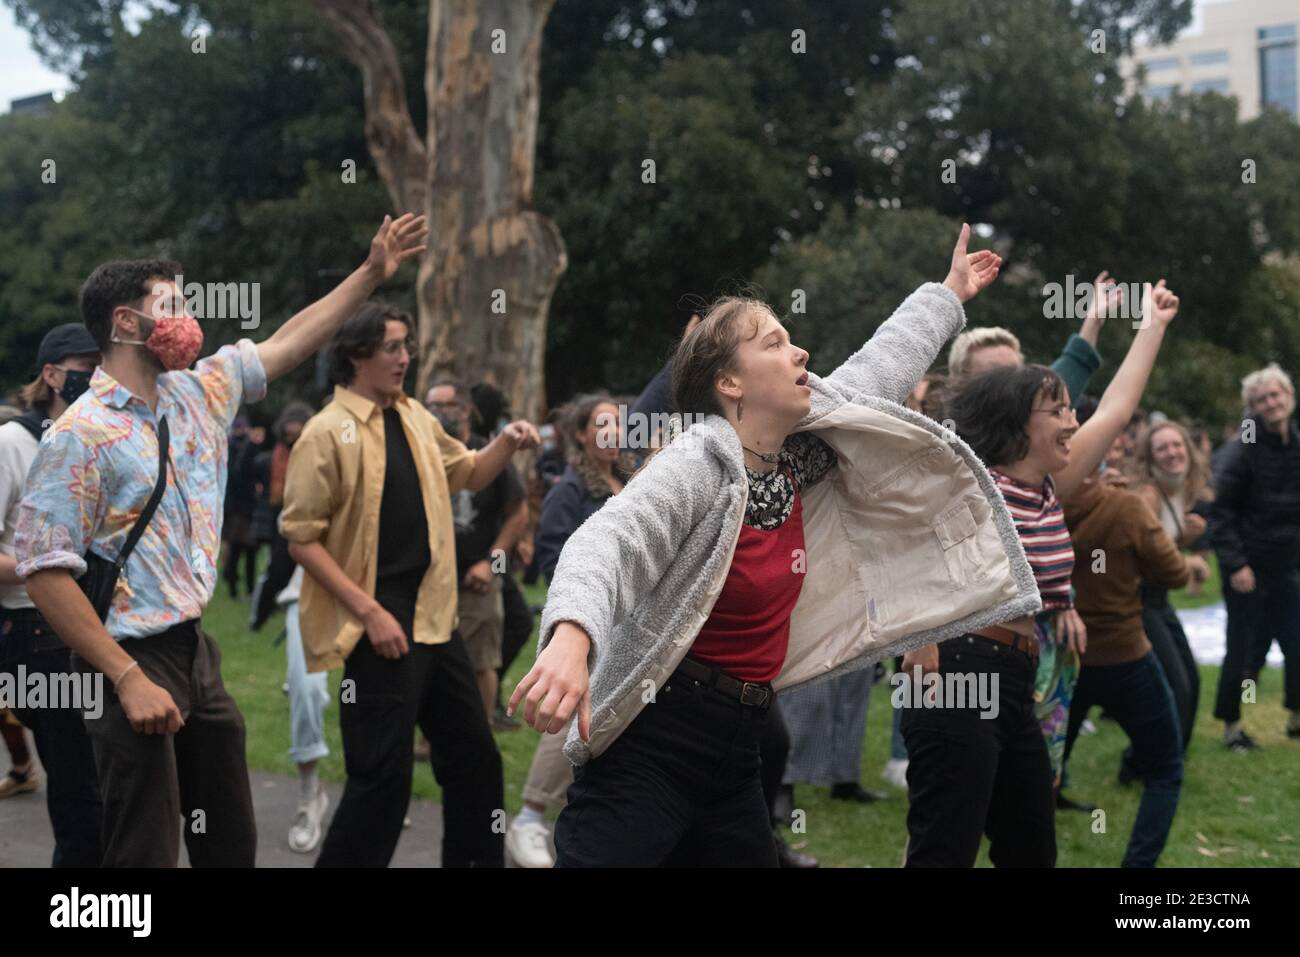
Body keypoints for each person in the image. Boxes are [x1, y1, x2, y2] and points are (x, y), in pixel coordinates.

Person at [511, 225, 1040, 867]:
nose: (800, 354)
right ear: (730, 384)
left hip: (739, 748)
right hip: (652, 745)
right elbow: (607, 541)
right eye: (775, 344)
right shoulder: (700, 461)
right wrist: (570, 639)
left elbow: (876, 370)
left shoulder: (795, 457)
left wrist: (950, 292)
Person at [15, 212, 429, 867]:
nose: (189, 315)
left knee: (229, 839)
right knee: (142, 849)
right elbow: (43, 571)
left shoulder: (202, 389)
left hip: (194, 648)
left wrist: (372, 274)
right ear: (126, 322)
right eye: (172, 305)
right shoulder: (78, 435)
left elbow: (295, 336)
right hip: (124, 654)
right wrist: (124, 677)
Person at [903, 278, 1181, 867]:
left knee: (1031, 849)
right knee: (944, 850)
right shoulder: (971, 483)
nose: (1072, 419)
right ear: (1015, 423)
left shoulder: (1048, 487)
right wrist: (921, 640)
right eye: (1056, 410)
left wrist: (1152, 326)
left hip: (1017, 679)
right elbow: (908, 547)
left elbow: (1117, 409)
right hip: (958, 674)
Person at [279, 302, 538, 868]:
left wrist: (508, 443)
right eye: (393, 347)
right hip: (379, 620)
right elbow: (300, 539)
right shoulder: (326, 433)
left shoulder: (417, 416)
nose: (405, 357)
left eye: (406, 346)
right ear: (357, 355)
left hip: (433, 616)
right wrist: (368, 612)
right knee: (382, 780)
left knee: (475, 760)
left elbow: (467, 471)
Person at [505, 394, 631, 868]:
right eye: (602, 424)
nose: (613, 433)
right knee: (568, 711)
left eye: (618, 424)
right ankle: (529, 819)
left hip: (629, 627)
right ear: (580, 434)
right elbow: (552, 556)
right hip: (586, 623)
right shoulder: (572, 488)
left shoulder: (633, 482)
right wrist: (592, 602)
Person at [0, 323, 103, 864]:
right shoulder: (13, 443)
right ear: (52, 374)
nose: (95, 374)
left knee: (111, 785)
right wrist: (46, 568)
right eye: (84, 365)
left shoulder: (101, 435)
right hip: (37, 637)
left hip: (102, 626)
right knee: (80, 794)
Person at [1062, 433, 1189, 866]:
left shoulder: (1037, 507)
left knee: (1039, 770)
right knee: (1166, 771)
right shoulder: (1127, 507)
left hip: (1064, 660)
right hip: (1125, 656)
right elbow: (1173, 572)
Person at [1209, 363, 1300, 749]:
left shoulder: (1295, 442)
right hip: (1249, 569)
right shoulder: (1241, 448)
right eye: (1261, 399)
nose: (1271, 403)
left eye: (1276, 395)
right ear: (1252, 407)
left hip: (1288, 566)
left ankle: (1296, 718)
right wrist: (1235, 564)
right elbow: (1220, 510)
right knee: (1245, 652)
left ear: (1289, 397)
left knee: (1296, 644)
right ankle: (1232, 726)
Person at [426, 376, 528, 720]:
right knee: (430, 658)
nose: (438, 413)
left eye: (446, 405)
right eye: (431, 406)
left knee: (482, 661)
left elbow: (518, 514)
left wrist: (491, 564)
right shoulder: (423, 453)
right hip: (429, 577)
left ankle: (481, 729)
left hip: (477, 577)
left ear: (467, 410)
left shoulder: (492, 453)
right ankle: (431, 738)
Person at [1130, 420, 1213, 755]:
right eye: (1162, 448)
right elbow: (1145, 558)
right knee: (1175, 685)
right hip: (1140, 602)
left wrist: (1181, 538)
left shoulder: (1175, 490)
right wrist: (1188, 561)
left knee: (1191, 681)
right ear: (1149, 459)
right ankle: (1147, 762)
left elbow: (1159, 545)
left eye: (1177, 445)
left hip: (1159, 601)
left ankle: (1171, 759)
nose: (1172, 453)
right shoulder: (1149, 495)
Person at [945, 270, 1123, 407]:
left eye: (1016, 373)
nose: (1010, 384)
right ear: (960, 384)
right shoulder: (942, 442)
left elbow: (1068, 371)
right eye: (996, 375)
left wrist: (1093, 320)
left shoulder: (1032, 420)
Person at [277, 565, 332, 853]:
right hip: (311, 588)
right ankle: (309, 792)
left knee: (382, 699)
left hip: (380, 594)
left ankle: (383, 795)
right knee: (306, 687)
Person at [249, 402, 315, 630]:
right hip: (282, 517)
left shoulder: (313, 452)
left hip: (309, 515)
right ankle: (259, 617)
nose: (292, 434)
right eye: (290, 429)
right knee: (277, 568)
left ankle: (294, 615)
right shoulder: (273, 458)